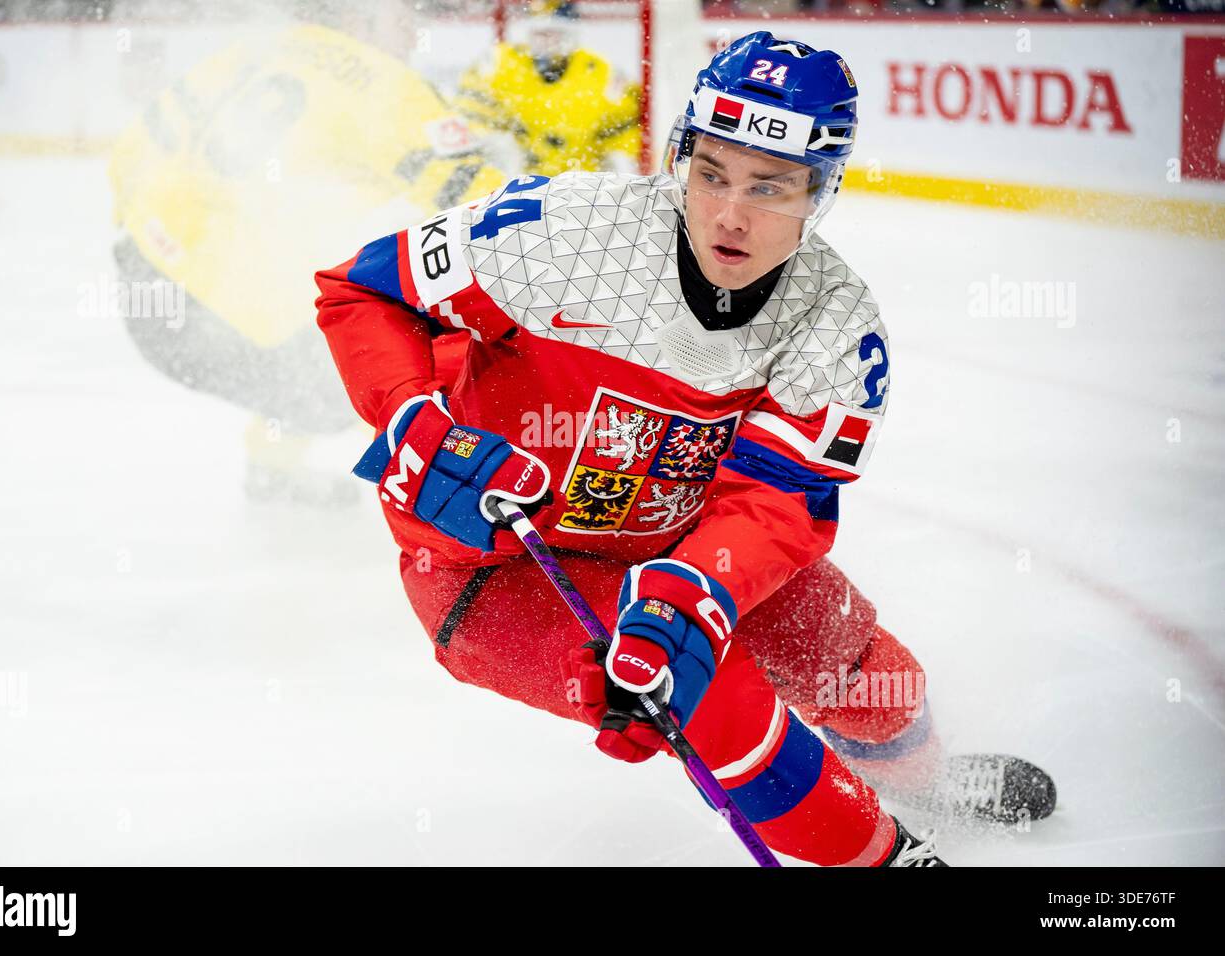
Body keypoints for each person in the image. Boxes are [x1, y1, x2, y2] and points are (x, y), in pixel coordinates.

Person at [317, 32, 1050, 865]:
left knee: (863, 667)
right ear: (680, 157)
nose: (731, 215)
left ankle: (920, 777)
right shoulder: (564, 234)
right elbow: (363, 290)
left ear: (822, 191)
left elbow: (775, 503)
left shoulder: (837, 326)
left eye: (770, 187)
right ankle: (876, 853)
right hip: (494, 565)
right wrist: (413, 419)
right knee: (699, 690)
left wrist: (696, 589)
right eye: (712, 174)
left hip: (679, 543)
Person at [108, 19, 507, 503]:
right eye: (402, 16)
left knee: (309, 349)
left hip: (144, 286)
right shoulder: (383, 82)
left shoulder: (261, 43)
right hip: (222, 314)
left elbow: (132, 151)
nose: (410, 30)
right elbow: (477, 199)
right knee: (404, 346)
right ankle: (453, 508)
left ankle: (273, 469)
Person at [453, 0, 643, 177]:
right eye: (538, 32)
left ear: (571, 34)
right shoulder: (498, 65)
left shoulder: (603, 74)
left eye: (554, 33)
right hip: (516, 191)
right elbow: (470, 116)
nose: (545, 41)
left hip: (581, 195)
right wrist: (497, 145)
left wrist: (619, 162)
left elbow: (623, 133)